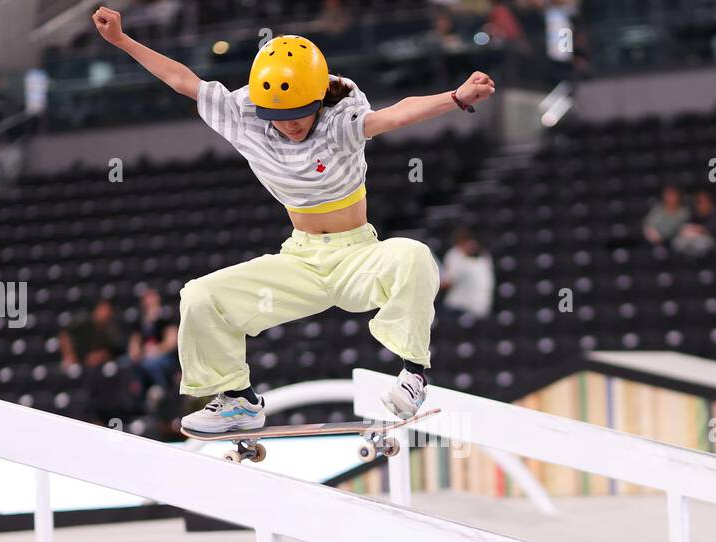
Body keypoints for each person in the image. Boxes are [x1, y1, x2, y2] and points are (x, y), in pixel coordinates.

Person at [91, 6, 495, 434]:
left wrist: (455, 97)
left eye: (299, 115)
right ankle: (238, 402)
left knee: (414, 256)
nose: (290, 126)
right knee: (200, 296)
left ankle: (413, 375)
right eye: (278, 119)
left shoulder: (341, 121)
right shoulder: (243, 117)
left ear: (318, 98)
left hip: (357, 255)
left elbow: (396, 114)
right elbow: (182, 80)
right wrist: (121, 40)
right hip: (299, 260)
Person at [129, 287, 179, 391]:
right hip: (145, 356)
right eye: (146, 299)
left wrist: (156, 350)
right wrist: (139, 353)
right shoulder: (141, 321)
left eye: (152, 298)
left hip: (165, 356)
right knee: (124, 364)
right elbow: (134, 345)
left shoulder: (166, 317)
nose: (149, 301)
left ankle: (162, 390)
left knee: (151, 364)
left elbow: (171, 343)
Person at [439, 228, 495, 323]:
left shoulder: (456, 256)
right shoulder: (485, 256)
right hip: (483, 308)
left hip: (463, 308)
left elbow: (445, 283)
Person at [672, 190, 716, 256]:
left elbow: (714, 230)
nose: (702, 205)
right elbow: (685, 226)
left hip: (708, 239)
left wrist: (699, 229)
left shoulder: (715, 213)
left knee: (701, 244)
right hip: (690, 238)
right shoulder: (693, 213)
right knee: (677, 242)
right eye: (699, 202)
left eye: (705, 202)